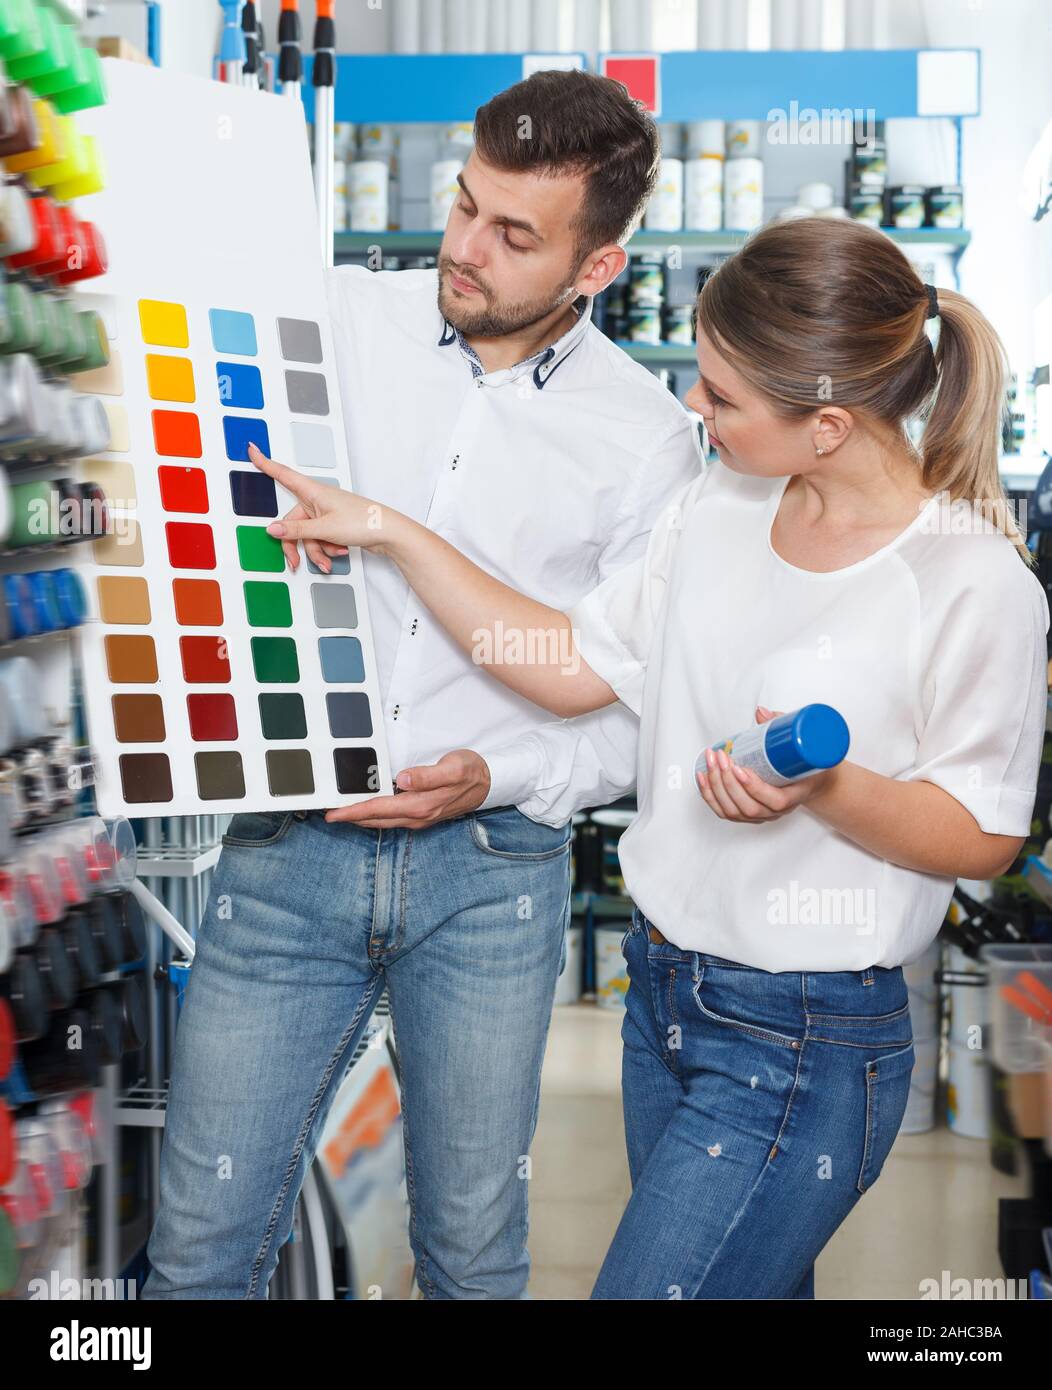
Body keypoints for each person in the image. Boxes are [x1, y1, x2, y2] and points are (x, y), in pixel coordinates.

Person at [250, 216, 1049, 1300]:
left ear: (825, 425)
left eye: (722, 397)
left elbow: (984, 834)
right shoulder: (718, 506)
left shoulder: (971, 580)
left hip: (804, 1038)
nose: (692, 408)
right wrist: (390, 530)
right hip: (664, 993)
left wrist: (825, 786)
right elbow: (570, 663)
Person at [142, 70, 701, 1301]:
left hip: (488, 875)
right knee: (199, 1251)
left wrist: (494, 773)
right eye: (463, 207)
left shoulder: (646, 440)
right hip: (289, 848)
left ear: (598, 266)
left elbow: (628, 714)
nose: (464, 249)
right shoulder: (332, 320)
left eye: (514, 236)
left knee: (472, 1255)